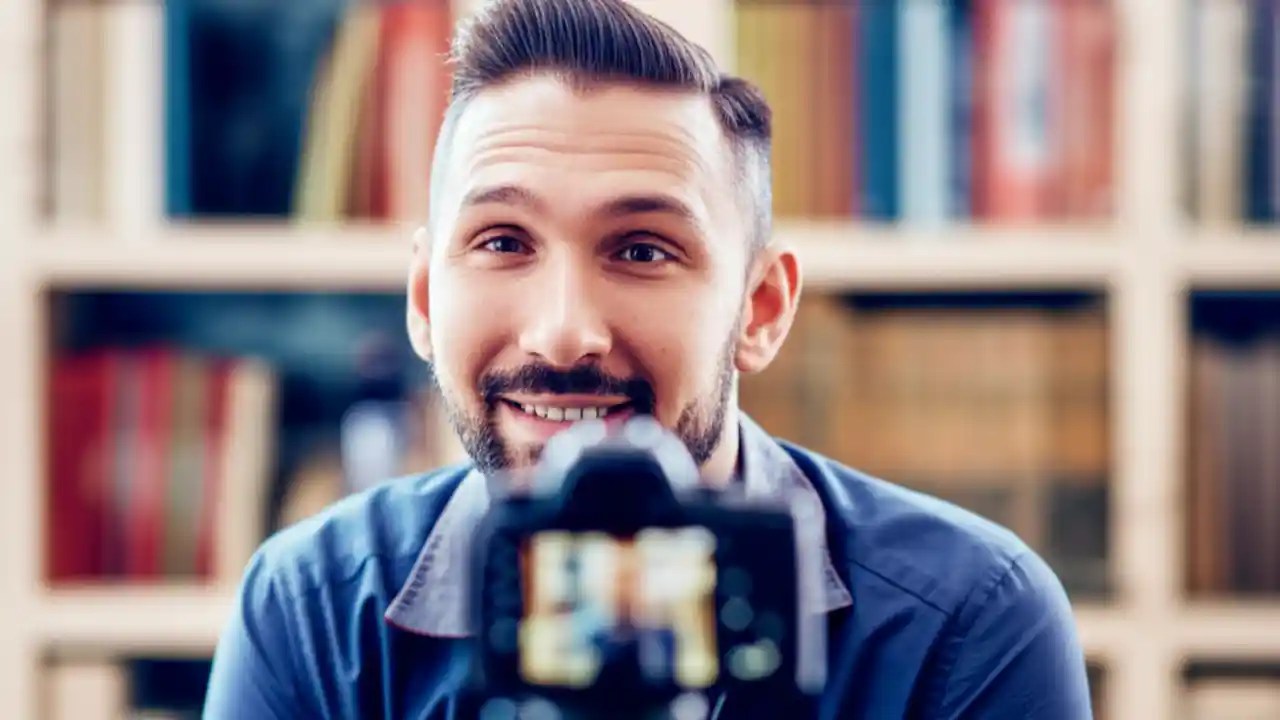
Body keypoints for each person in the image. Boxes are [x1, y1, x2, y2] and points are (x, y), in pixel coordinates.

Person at [202, 0, 1094, 717]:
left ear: (761, 309)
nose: (563, 334)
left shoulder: (968, 623)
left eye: (641, 251)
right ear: (427, 299)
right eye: (504, 241)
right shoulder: (313, 613)